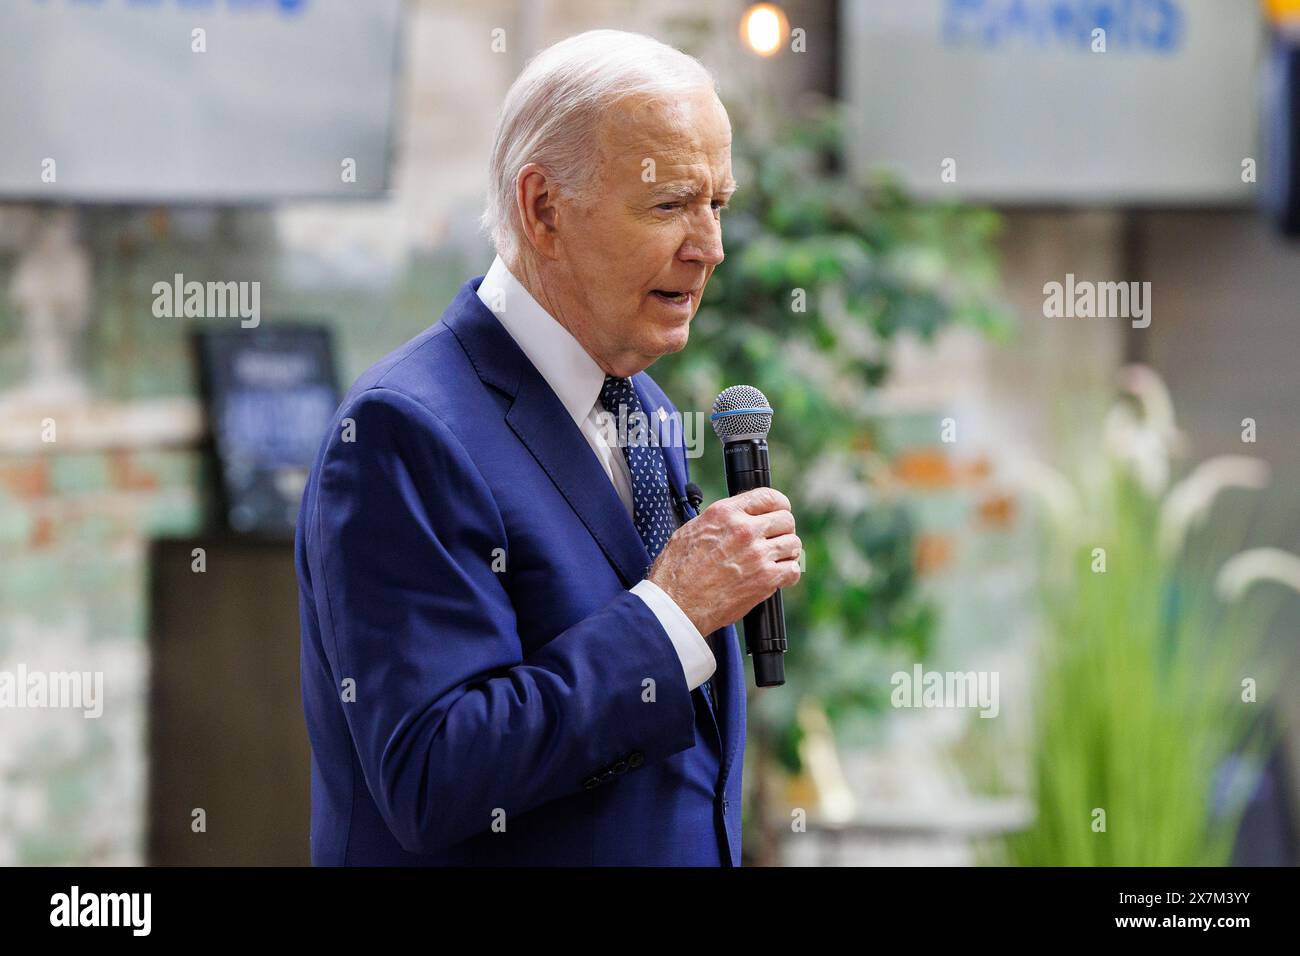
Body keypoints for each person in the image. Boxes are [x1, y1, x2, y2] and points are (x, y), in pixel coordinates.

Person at [296, 29, 800, 866]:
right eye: (671, 203)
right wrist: (673, 613)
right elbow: (434, 774)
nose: (709, 246)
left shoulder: (644, 405)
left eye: (719, 204)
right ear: (544, 209)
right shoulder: (402, 430)